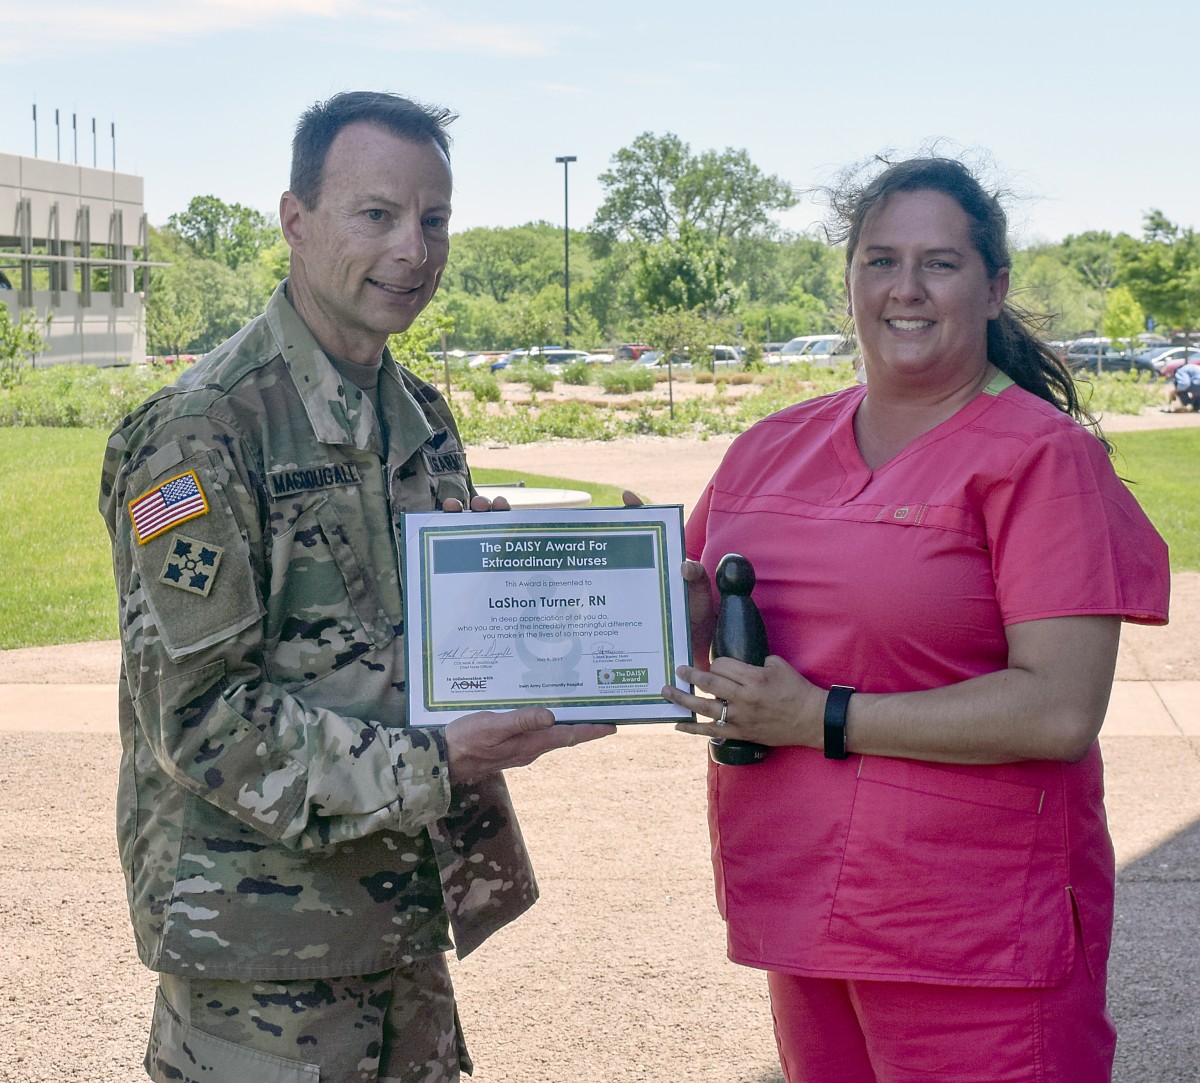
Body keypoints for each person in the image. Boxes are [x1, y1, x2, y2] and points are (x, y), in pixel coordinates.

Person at [98, 91, 614, 1083]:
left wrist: (604, 615)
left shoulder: (415, 415)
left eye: (434, 219)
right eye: (377, 214)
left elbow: (429, 643)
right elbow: (203, 719)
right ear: (296, 220)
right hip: (262, 954)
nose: (413, 248)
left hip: (400, 923)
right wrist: (435, 760)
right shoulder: (198, 436)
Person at [662, 157, 1170, 1082]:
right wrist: (532, 567)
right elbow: (687, 621)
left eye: (939, 263)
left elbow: (1057, 711)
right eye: (879, 259)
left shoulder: (1042, 461)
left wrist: (820, 716)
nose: (905, 288)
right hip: (802, 904)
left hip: (974, 930)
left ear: (994, 289)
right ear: (849, 277)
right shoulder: (768, 449)